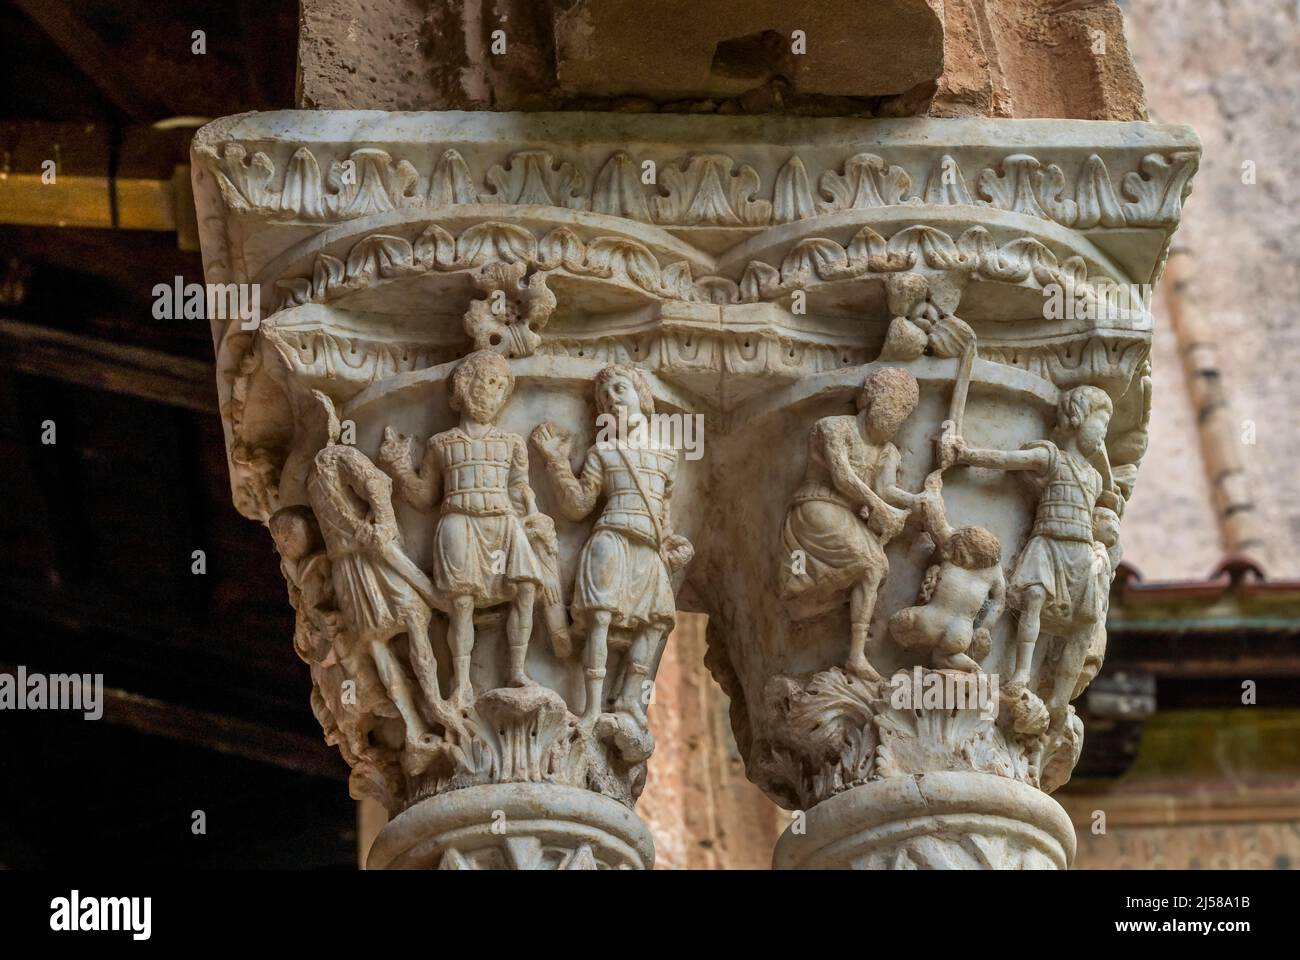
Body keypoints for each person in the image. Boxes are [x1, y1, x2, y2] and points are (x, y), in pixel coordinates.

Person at [380, 350, 549, 705]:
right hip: (459, 522)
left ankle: (516, 669)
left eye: (499, 386)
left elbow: (520, 489)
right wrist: (399, 467)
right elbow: (425, 497)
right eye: (484, 382)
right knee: (462, 603)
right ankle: (461, 683)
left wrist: (535, 517)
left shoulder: (511, 444)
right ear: (462, 386)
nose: (491, 391)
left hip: (503, 523)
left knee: (526, 589)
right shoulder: (442, 444)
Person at [531, 364, 693, 731]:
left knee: (656, 622)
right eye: (605, 397)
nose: (612, 399)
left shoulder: (668, 456)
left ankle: (628, 699)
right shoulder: (603, 453)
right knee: (600, 620)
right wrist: (555, 461)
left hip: (649, 549)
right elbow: (578, 507)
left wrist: (672, 544)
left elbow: (663, 515)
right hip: (611, 540)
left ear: (643, 395)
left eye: (620, 389)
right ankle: (590, 706)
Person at [943, 384, 1114, 727]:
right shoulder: (1051, 457)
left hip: (1079, 550)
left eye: (1109, 429)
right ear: (1077, 419)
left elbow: (1108, 480)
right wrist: (965, 453)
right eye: (1101, 424)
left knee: (1086, 622)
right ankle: (1021, 672)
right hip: (1049, 543)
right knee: (1034, 599)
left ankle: (1059, 697)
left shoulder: (1094, 478)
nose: (1103, 436)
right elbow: (1008, 461)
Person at [779, 366, 921, 680]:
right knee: (870, 561)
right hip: (817, 506)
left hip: (848, 514)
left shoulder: (888, 451)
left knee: (877, 568)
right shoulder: (833, 427)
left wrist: (915, 502)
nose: (894, 419)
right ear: (868, 400)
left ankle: (855, 654)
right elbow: (842, 477)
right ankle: (805, 594)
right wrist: (879, 507)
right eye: (890, 408)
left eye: (901, 415)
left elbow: (885, 489)